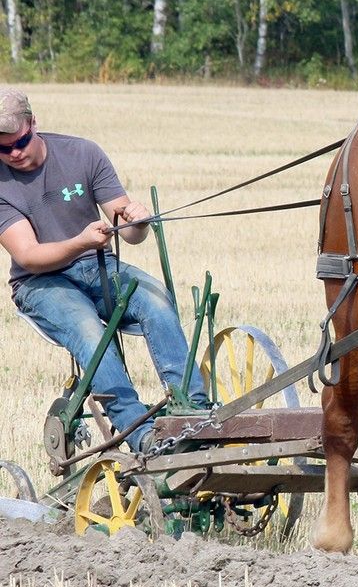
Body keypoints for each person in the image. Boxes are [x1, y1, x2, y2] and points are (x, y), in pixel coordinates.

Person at [0, 88, 208, 453]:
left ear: (33, 124)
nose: (13, 153)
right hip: (39, 283)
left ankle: (192, 411)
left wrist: (137, 221)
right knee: (90, 333)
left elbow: (126, 230)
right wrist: (81, 242)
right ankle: (137, 432)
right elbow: (29, 256)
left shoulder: (83, 153)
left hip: (97, 265)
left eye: (19, 141)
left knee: (156, 300)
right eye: (2, 148)